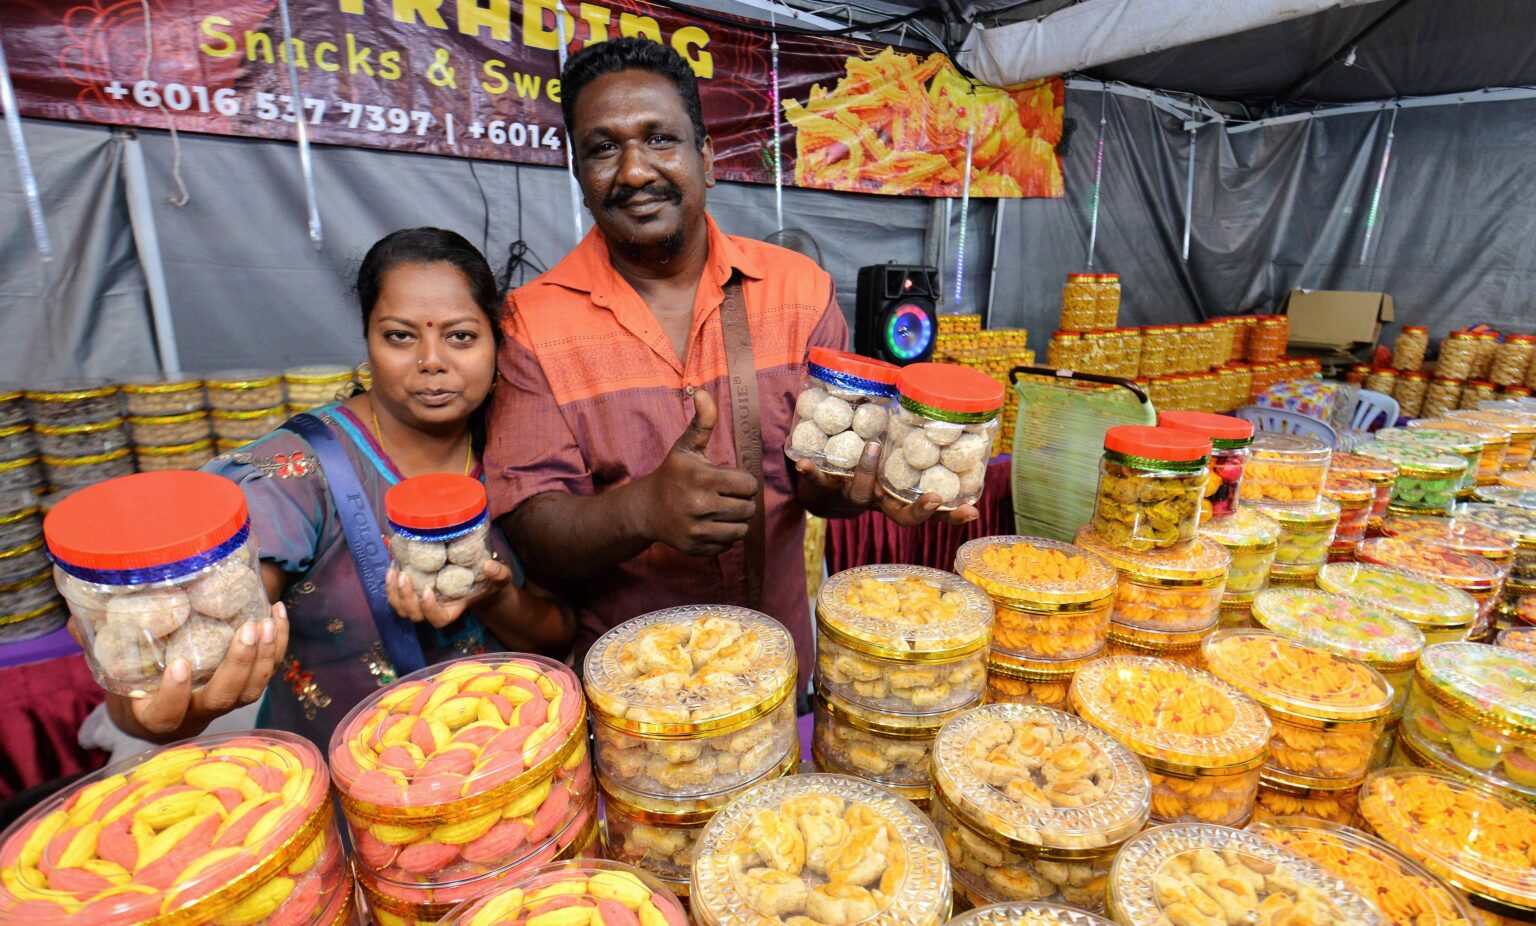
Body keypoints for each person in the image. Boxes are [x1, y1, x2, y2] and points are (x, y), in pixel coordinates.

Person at [485, 39, 977, 690]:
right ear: (579, 175)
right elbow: (529, 525)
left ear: (707, 159)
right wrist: (640, 512)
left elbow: (816, 483)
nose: (634, 171)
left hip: (780, 674)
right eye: (604, 148)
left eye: (660, 139)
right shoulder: (531, 323)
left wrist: (854, 488)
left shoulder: (800, 291)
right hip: (636, 696)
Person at [101, 228, 574, 750]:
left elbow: (557, 633)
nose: (431, 361)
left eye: (461, 336)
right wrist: (160, 706)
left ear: (496, 341)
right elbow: (197, 633)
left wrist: (495, 597)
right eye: (400, 336)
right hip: (340, 788)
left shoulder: (524, 452)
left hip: (500, 773)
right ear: (367, 340)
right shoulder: (297, 476)